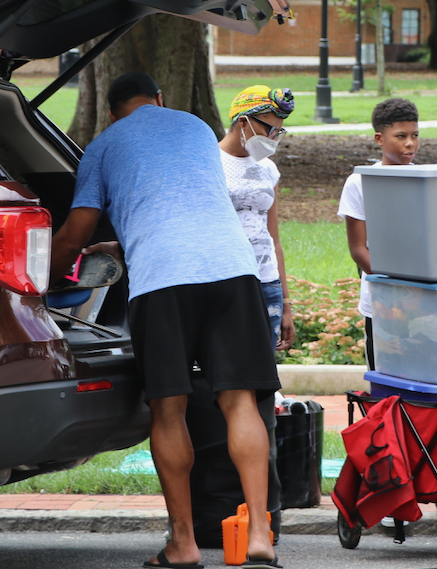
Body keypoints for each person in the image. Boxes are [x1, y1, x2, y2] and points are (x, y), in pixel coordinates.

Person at [49, 72, 281, 569]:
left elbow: (77, 231)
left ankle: (183, 543)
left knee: (169, 410)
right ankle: (260, 534)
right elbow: (185, 200)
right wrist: (129, 241)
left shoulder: (103, 146)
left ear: (112, 112)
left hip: (162, 280)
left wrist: (41, 273)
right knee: (239, 400)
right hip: (233, 271)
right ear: (159, 98)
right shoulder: (196, 126)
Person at [338, 97, 420, 372]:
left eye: (415, 135)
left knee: (421, 370)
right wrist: (395, 286)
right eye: (401, 136)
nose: (410, 143)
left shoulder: (427, 180)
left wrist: (418, 288)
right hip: (382, 297)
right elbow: (358, 249)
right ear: (379, 139)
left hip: (424, 296)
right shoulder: (360, 182)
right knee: (385, 374)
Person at [218, 85, 296, 352]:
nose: (273, 138)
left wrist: (286, 303)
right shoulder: (209, 162)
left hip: (267, 282)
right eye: (269, 130)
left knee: (263, 369)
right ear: (243, 122)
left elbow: (273, 238)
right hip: (225, 281)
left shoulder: (268, 169)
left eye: (279, 132)